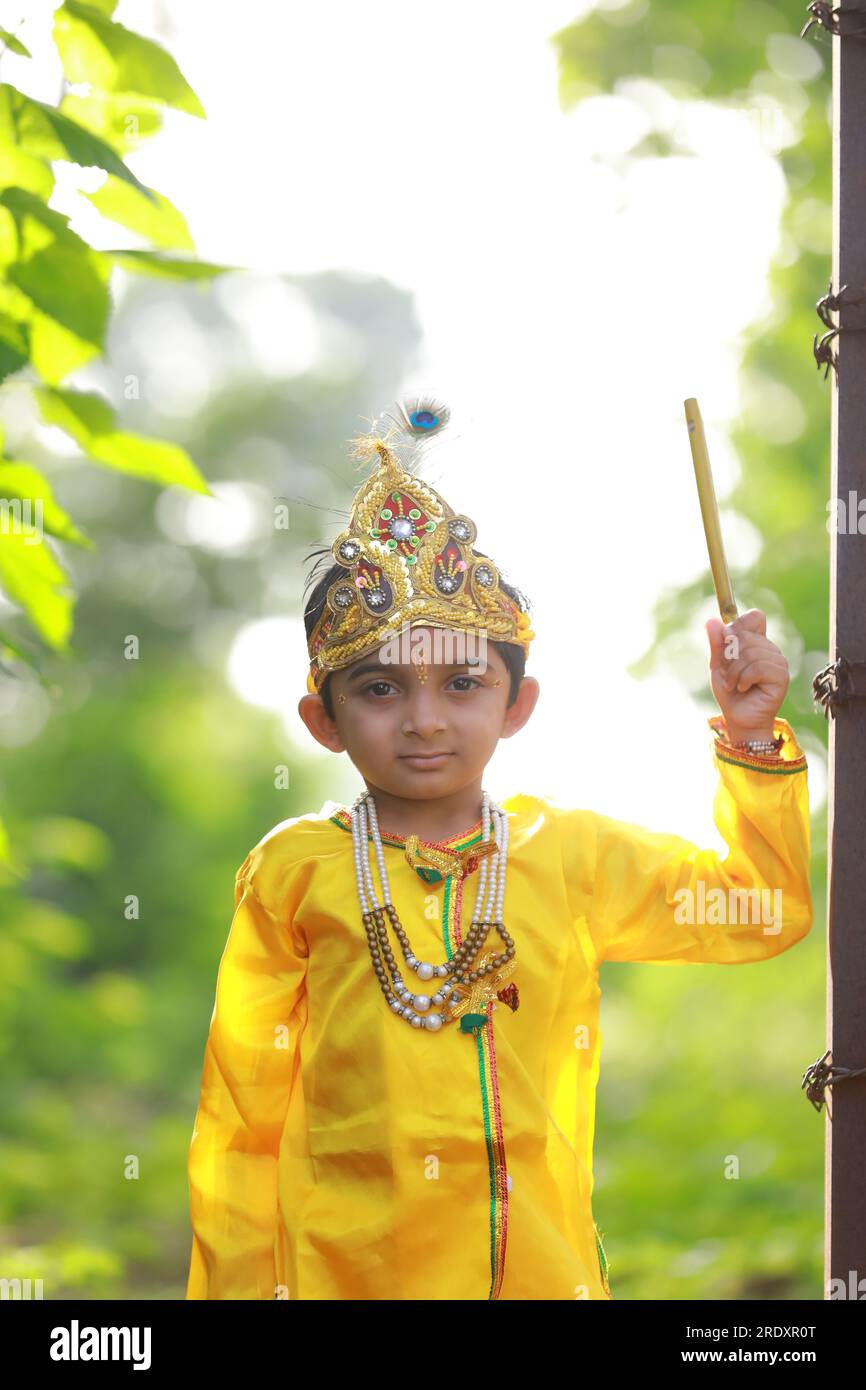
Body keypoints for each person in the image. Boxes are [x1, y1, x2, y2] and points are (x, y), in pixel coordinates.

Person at [185, 396, 812, 1301]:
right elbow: (242, 1122)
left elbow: (762, 909)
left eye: (463, 683)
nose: (426, 719)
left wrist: (750, 737)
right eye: (381, 688)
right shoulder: (293, 873)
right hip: (344, 1280)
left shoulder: (570, 857)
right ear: (325, 721)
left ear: (516, 706)